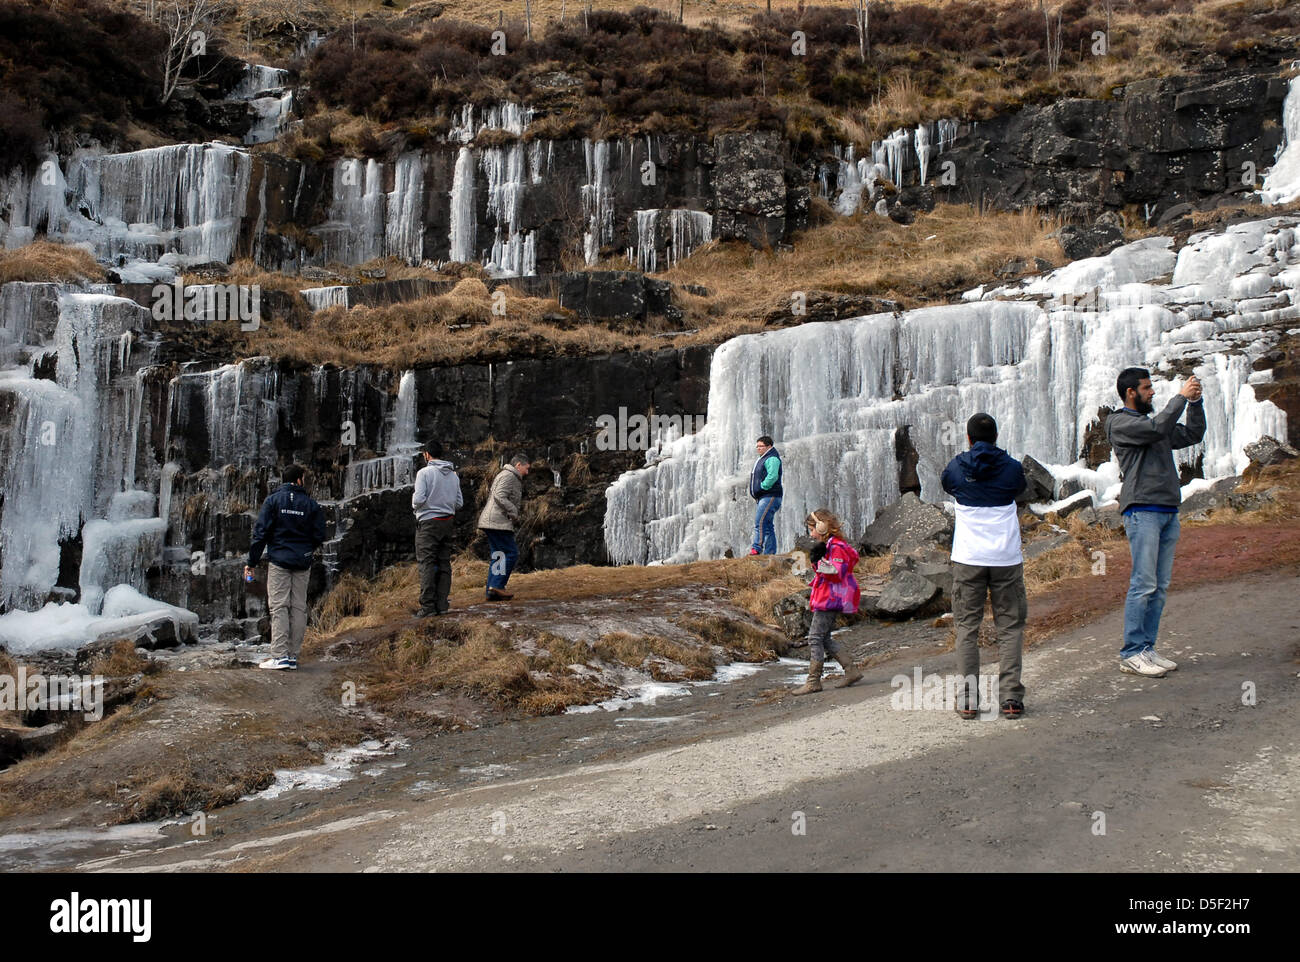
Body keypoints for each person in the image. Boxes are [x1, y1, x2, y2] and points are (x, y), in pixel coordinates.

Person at [1105, 367, 1205, 678]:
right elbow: (1158, 427)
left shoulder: (1153, 424)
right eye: (1147, 388)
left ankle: (1147, 647)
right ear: (1130, 392)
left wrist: (1195, 404)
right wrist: (1180, 397)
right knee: (1143, 583)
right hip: (1142, 511)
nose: (1152, 392)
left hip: (1166, 509)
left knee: (1159, 587)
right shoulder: (1120, 423)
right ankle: (1132, 652)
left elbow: (1191, 435)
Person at [941, 413, 1029, 719]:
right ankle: (1011, 699)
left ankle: (968, 699)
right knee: (1010, 626)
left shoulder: (956, 468)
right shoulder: (1012, 469)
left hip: (968, 559)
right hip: (1006, 558)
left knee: (966, 628)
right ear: (995, 437)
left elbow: (947, 484)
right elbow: (1019, 488)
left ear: (968, 438)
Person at [245, 465, 327, 671]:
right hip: (303, 561)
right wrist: (307, 550)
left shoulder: (273, 501)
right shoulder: (311, 504)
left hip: (279, 560)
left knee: (280, 606)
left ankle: (279, 655)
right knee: (298, 606)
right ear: (298, 480)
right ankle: (292, 656)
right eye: (304, 478)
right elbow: (319, 534)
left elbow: (260, 534)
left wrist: (251, 562)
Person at [792, 509, 863, 695]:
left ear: (822, 526)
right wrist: (818, 562)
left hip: (830, 598)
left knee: (815, 638)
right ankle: (851, 670)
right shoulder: (831, 545)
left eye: (812, 529)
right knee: (824, 638)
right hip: (829, 597)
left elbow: (836, 572)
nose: (811, 534)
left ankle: (813, 680)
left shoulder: (836, 546)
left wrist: (817, 561)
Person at [412, 440, 463, 617]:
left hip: (428, 523)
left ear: (427, 454)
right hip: (447, 522)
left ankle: (427, 608)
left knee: (426, 563)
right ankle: (442, 605)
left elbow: (418, 499)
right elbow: (459, 503)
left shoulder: (424, 473)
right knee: (443, 563)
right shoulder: (453, 475)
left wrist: (416, 508)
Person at [477, 454, 529, 601]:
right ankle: (497, 586)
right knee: (511, 553)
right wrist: (513, 511)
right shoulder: (509, 476)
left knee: (498, 555)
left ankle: (492, 591)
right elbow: (499, 496)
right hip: (497, 521)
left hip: (492, 520)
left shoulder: (507, 475)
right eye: (526, 468)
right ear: (518, 465)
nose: (527, 472)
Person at [748, 435, 783, 555]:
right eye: (757, 446)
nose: (758, 448)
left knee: (760, 522)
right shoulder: (764, 457)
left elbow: (773, 476)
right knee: (767, 526)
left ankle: (757, 548)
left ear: (769, 446)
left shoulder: (772, 458)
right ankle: (770, 552)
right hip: (765, 496)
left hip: (770, 495)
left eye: (761, 446)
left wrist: (762, 487)